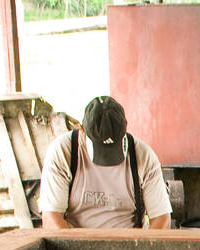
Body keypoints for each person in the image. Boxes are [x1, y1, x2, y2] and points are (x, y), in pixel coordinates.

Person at [39, 95, 171, 231]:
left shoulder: (143, 156)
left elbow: (161, 219)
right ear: (82, 131)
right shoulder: (63, 152)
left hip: (131, 246)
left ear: (125, 130)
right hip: (75, 245)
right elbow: (51, 219)